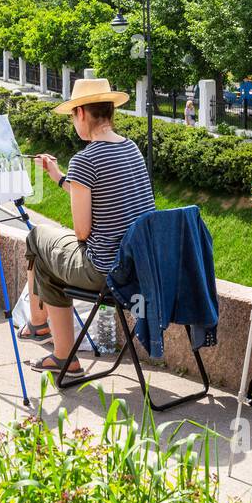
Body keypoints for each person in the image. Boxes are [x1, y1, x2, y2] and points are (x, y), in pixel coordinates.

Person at [20, 78, 155, 375]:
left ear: (81, 113)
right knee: (48, 254)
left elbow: (82, 232)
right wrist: (58, 176)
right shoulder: (131, 149)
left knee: (37, 239)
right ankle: (49, 336)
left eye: (72, 116)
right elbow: (99, 194)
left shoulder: (86, 159)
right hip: (142, 267)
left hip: (105, 271)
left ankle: (52, 340)